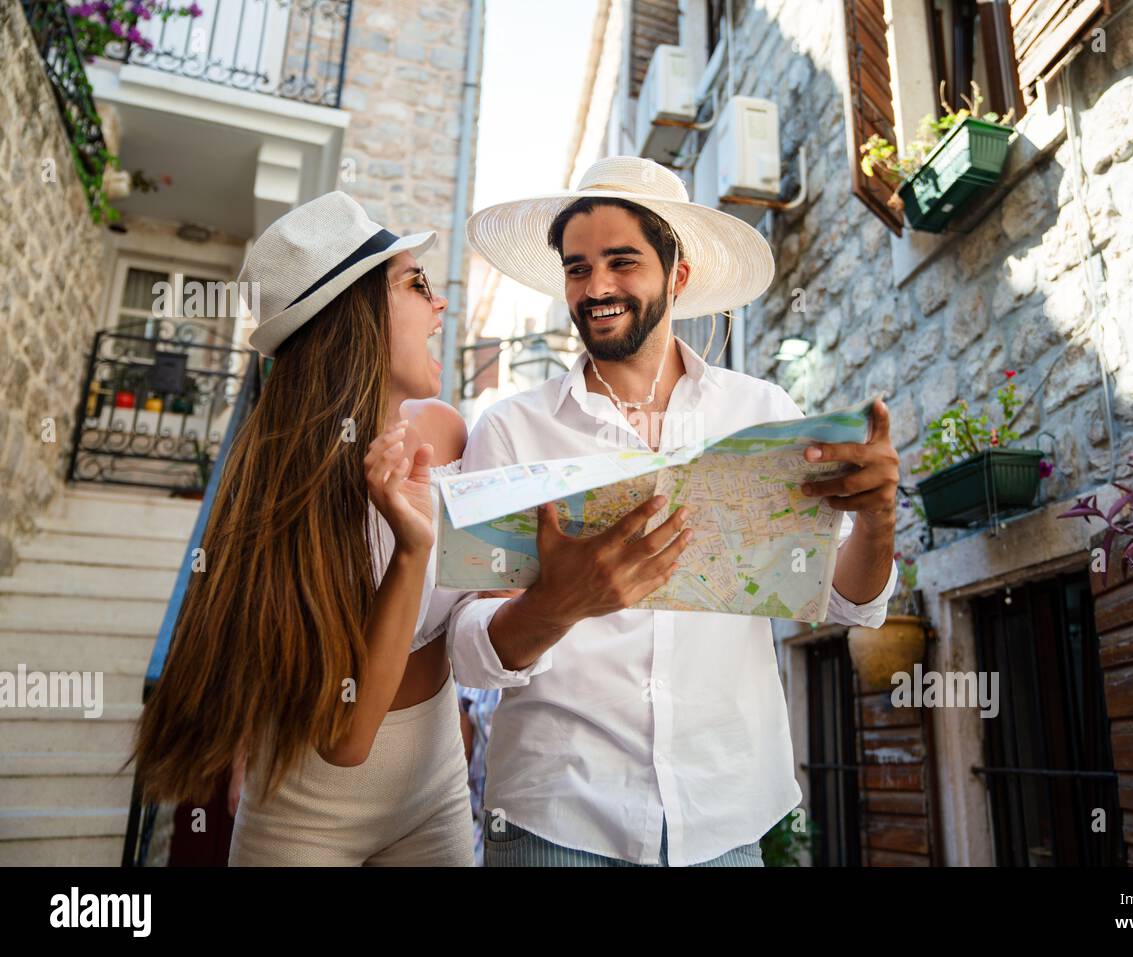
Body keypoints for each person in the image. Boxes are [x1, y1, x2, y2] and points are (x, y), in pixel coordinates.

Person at [446, 156, 901, 867]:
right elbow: (468, 648)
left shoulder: (761, 413)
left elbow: (846, 601)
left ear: (677, 274)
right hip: (556, 816)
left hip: (724, 817)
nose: (595, 287)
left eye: (621, 261)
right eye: (577, 267)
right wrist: (559, 604)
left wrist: (877, 522)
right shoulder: (510, 430)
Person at [131, 191, 476, 866]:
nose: (440, 305)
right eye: (416, 284)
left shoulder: (450, 434)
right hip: (305, 808)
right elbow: (346, 739)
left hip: (435, 786)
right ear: (357, 319)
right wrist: (411, 552)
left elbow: (485, 606)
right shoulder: (284, 488)